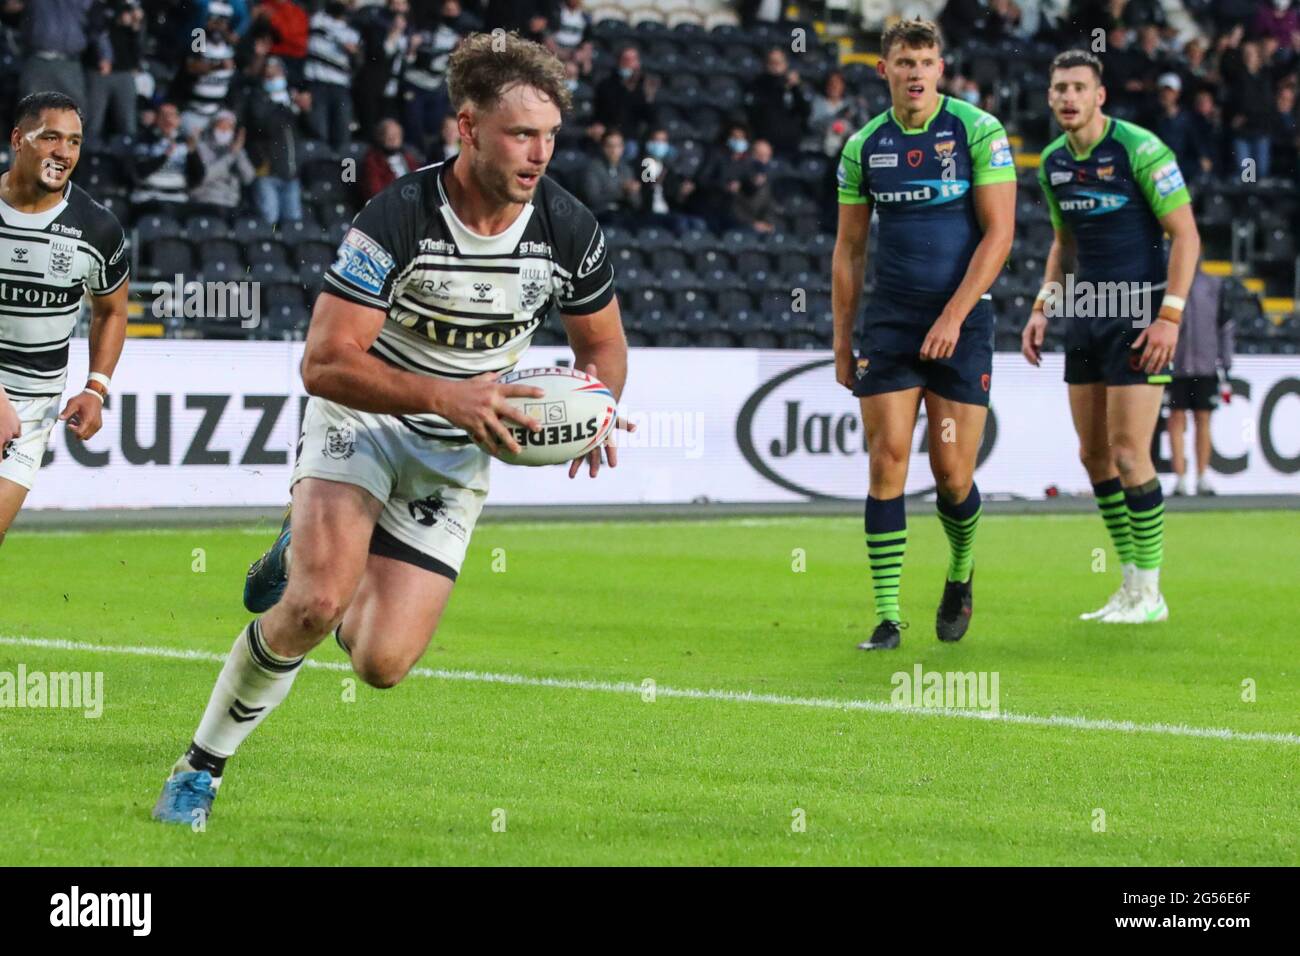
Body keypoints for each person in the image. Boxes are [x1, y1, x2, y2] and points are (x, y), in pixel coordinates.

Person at [152, 32, 630, 824]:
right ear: (468, 127)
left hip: (455, 455)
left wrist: (597, 408)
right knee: (313, 605)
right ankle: (200, 768)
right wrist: (447, 398)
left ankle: (306, 547)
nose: (539, 152)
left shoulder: (566, 226)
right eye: (520, 133)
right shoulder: (398, 217)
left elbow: (603, 346)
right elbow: (324, 363)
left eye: (549, 134)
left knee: (381, 663)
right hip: (362, 422)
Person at [833, 18, 1016, 651]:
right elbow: (849, 250)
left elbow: (1000, 234)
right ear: (882, 69)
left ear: (942, 69)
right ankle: (887, 617)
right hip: (892, 325)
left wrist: (953, 316)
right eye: (904, 61)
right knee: (886, 462)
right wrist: (840, 340)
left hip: (962, 324)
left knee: (952, 476)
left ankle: (960, 573)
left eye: (927, 61)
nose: (916, 72)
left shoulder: (977, 131)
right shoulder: (862, 146)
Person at [1021, 50, 1200, 624]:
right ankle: (1128, 586)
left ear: (1100, 96)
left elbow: (1187, 236)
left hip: (1140, 316)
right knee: (1093, 455)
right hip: (1085, 313)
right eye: (1058, 89)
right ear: (1049, 98)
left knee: (1128, 453)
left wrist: (1169, 316)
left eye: (1078, 88)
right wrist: (1043, 306)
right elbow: (1063, 243)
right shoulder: (1051, 162)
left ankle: (1151, 592)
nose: (1067, 98)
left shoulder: (1141, 149)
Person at [0, 92, 129, 546]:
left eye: (74, 142)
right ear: (18, 139)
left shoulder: (97, 228)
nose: (64, 152)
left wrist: (96, 388)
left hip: (35, 406)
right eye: (50, 137)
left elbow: (112, 311)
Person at [1167, 266, 1234, 497]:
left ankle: (1202, 476)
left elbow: (1225, 325)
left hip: (1205, 365)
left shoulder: (1213, 285)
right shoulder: (1170, 283)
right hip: (1176, 365)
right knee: (1176, 418)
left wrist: (1225, 361)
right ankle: (1180, 478)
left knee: (1203, 418)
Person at [243, 57, 312, 224]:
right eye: (268, 75)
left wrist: (306, 111)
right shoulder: (258, 97)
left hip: (291, 173)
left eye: (276, 73)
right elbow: (262, 124)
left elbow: (311, 130)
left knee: (293, 222)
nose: (273, 77)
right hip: (267, 171)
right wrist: (284, 107)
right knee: (269, 220)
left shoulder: (291, 99)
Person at [304, 0, 360, 153]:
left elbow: (360, 61)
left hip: (341, 86)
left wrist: (354, 53)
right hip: (317, 83)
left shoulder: (353, 30)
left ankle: (345, 175)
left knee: (342, 132)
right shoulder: (317, 18)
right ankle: (321, 171)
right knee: (318, 131)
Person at [129, 102, 204, 212]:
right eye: (163, 115)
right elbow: (141, 171)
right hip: (148, 198)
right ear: (156, 119)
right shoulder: (145, 140)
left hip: (176, 198)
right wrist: (165, 156)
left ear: (178, 120)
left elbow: (198, 177)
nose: (168, 119)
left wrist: (192, 153)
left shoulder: (186, 143)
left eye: (172, 115)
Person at [745, 47, 811, 158]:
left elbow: (805, 111)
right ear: (766, 64)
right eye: (772, 62)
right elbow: (755, 114)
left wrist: (795, 88)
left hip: (792, 144)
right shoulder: (757, 85)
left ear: (786, 64)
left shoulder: (795, 87)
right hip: (766, 145)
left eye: (778, 62)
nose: (775, 65)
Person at [190, 109, 256, 214]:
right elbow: (205, 175)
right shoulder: (201, 147)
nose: (225, 130)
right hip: (206, 201)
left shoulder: (237, 150)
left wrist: (238, 154)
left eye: (229, 127)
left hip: (231, 203)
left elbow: (249, 178)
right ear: (213, 127)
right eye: (221, 126)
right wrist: (231, 156)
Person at [579, 127, 638, 225]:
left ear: (623, 148)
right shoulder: (593, 167)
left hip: (624, 213)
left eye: (618, 146)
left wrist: (632, 193)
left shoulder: (626, 169)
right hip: (600, 215)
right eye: (610, 146)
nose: (614, 150)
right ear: (602, 147)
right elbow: (593, 199)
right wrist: (622, 191)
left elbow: (636, 204)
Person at [359, 117, 421, 200]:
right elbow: (375, 193)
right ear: (380, 137)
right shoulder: (372, 161)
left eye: (397, 135)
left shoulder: (408, 157)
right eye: (389, 135)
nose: (394, 139)